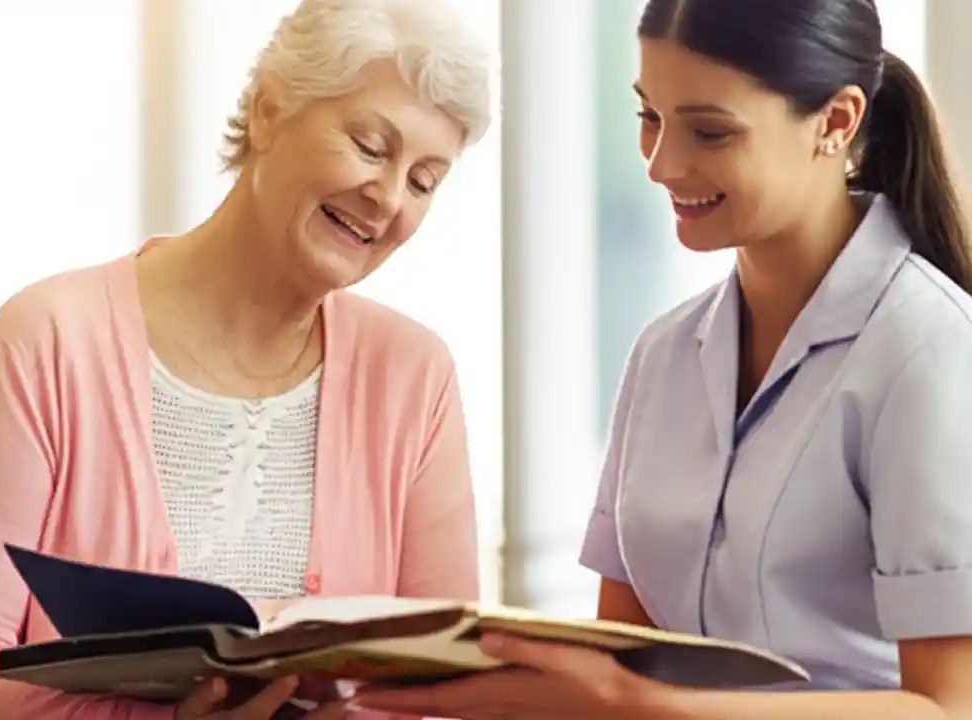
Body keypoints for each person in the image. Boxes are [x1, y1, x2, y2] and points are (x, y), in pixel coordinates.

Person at [353, 0, 972, 718]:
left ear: (835, 123)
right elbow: (625, 652)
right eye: (649, 117)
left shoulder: (929, 352)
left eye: (709, 131)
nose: (660, 164)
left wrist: (641, 705)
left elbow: (949, 706)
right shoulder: (666, 354)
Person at [0, 1, 494, 717]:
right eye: (370, 146)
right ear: (269, 110)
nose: (389, 197)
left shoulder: (415, 377)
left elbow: (452, 686)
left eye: (425, 181)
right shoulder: (50, 339)